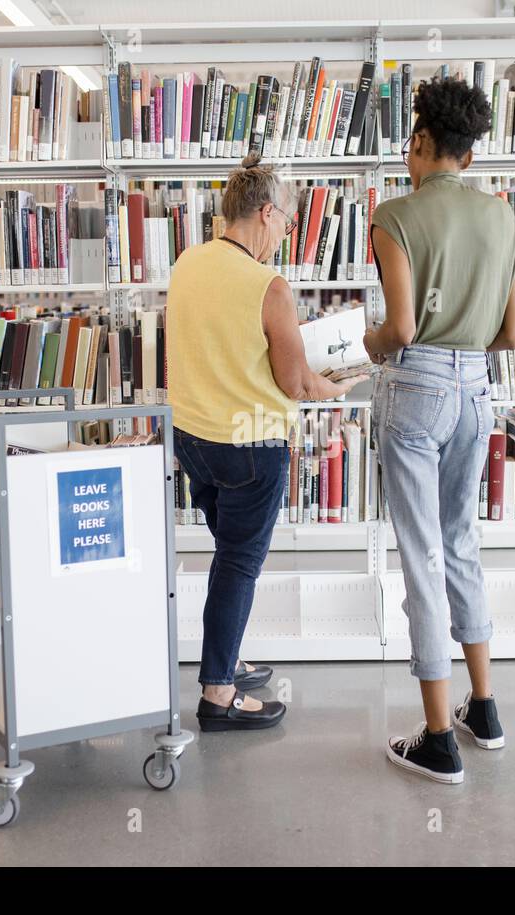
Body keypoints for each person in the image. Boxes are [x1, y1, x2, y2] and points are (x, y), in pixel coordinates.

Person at [364, 76, 515, 783]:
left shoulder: (394, 215)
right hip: (476, 389)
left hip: (417, 386)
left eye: (410, 140)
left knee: (422, 556)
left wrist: (357, 345)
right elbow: (511, 333)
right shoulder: (503, 218)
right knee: (461, 543)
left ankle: (437, 738)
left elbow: (399, 329)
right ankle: (482, 709)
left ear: (424, 141)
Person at [168, 154, 366, 732]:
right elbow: (296, 382)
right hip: (250, 445)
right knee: (237, 562)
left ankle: (224, 658)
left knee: (229, 552)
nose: (287, 232)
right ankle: (218, 694)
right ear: (266, 212)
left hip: (193, 439)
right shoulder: (268, 286)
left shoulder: (187, 263)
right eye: (287, 221)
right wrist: (340, 384)